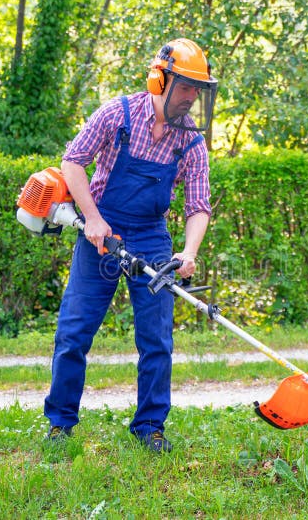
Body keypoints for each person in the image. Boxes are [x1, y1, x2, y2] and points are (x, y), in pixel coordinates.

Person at [43, 38, 218, 453]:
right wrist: (95, 219)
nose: (193, 97)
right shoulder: (117, 114)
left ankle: (150, 427)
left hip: (152, 236)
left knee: (157, 339)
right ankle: (60, 424)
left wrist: (188, 253)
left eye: (199, 89)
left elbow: (199, 204)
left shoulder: (191, 142)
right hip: (101, 231)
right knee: (74, 331)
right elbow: (73, 161)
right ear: (160, 80)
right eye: (187, 86)